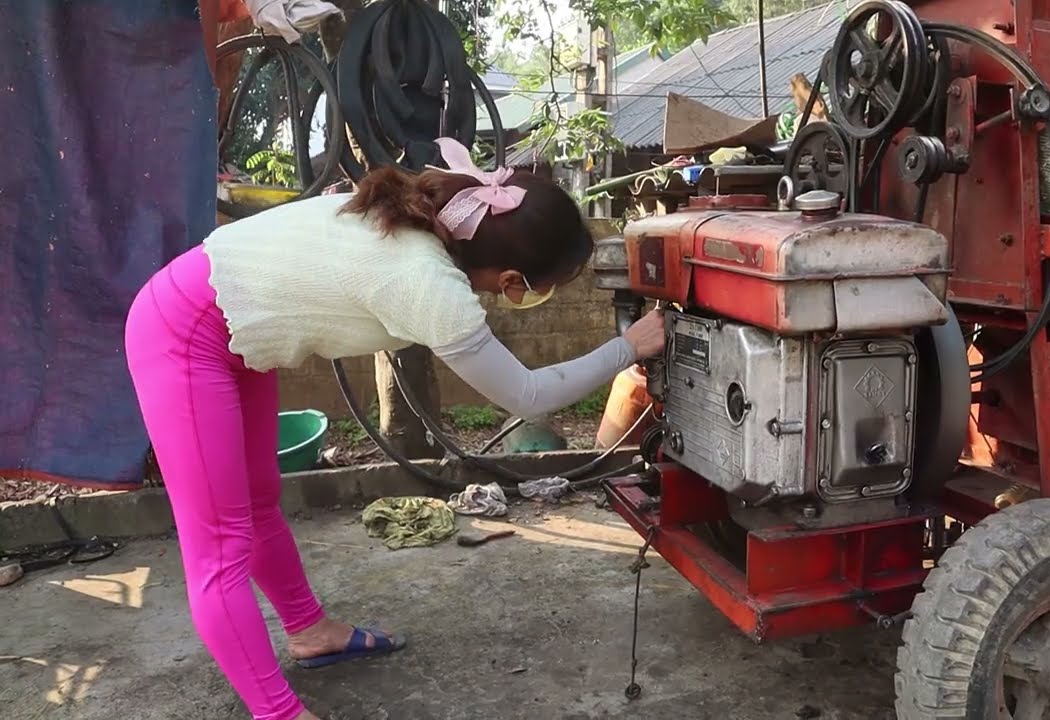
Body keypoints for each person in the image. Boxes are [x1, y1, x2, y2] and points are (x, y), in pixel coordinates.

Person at [123, 138, 665, 720]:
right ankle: (278, 713)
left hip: (235, 329)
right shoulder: (425, 281)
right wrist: (625, 349)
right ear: (511, 278)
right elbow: (526, 395)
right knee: (221, 546)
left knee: (258, 503)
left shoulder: (427, 216)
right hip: (184, 333)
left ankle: (309, 630)